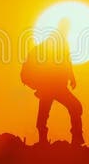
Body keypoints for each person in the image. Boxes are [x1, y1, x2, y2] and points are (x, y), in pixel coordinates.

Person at [31, 18, 84, 146]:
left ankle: (76, 138)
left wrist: (71, 76)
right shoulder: (53, 40)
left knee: (72, 108)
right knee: (73, 108)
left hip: (56, 86)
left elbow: (66, 60)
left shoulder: (62, 41)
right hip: (51, 86)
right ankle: (46, 140)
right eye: (66, 27)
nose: (67, 30)